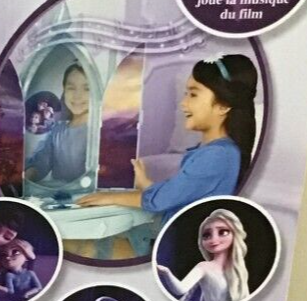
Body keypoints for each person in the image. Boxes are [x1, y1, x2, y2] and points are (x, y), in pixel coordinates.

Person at [77, 54, 257, 226]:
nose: (183, 103)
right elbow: (177, 195)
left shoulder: (217, 155)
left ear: (223, 106)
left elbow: (161, 200)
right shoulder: (214, 152)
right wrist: (146, 185)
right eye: (185, 93)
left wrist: (108, 197)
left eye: (193, 94)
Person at [158, 208, 249, 301]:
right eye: (206, 235)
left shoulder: (238, 269)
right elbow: (181, 289)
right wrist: (166, 272)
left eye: (222, 232)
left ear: (235, 234)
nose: (214, 239)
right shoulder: (204, 267)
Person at [25, 64, 91, 185]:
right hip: (58, 194)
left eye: (87, 89)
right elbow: (41, 161)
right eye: (71, 88)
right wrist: (27, 177)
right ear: (64, 91)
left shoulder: (98, 132)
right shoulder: (57, 130)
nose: (78, 95)